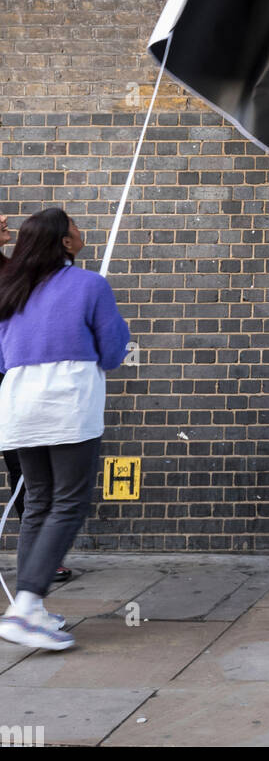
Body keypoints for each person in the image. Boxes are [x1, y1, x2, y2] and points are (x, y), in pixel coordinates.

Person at [0, 208, 130, 651]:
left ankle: (29, 605)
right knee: (69, 503)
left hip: (18, 404)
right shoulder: (91, 285)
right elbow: (112, 354)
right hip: (67, 405)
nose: (81, 230)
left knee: (38, 502)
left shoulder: (13, 289)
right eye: (74, 226)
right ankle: (26, 606)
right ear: (64, 242)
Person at [0, 214, 71, 586]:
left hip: (12, 384)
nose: (4, 217)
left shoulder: (14, 272)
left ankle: (41, 561)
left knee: (27, 476)